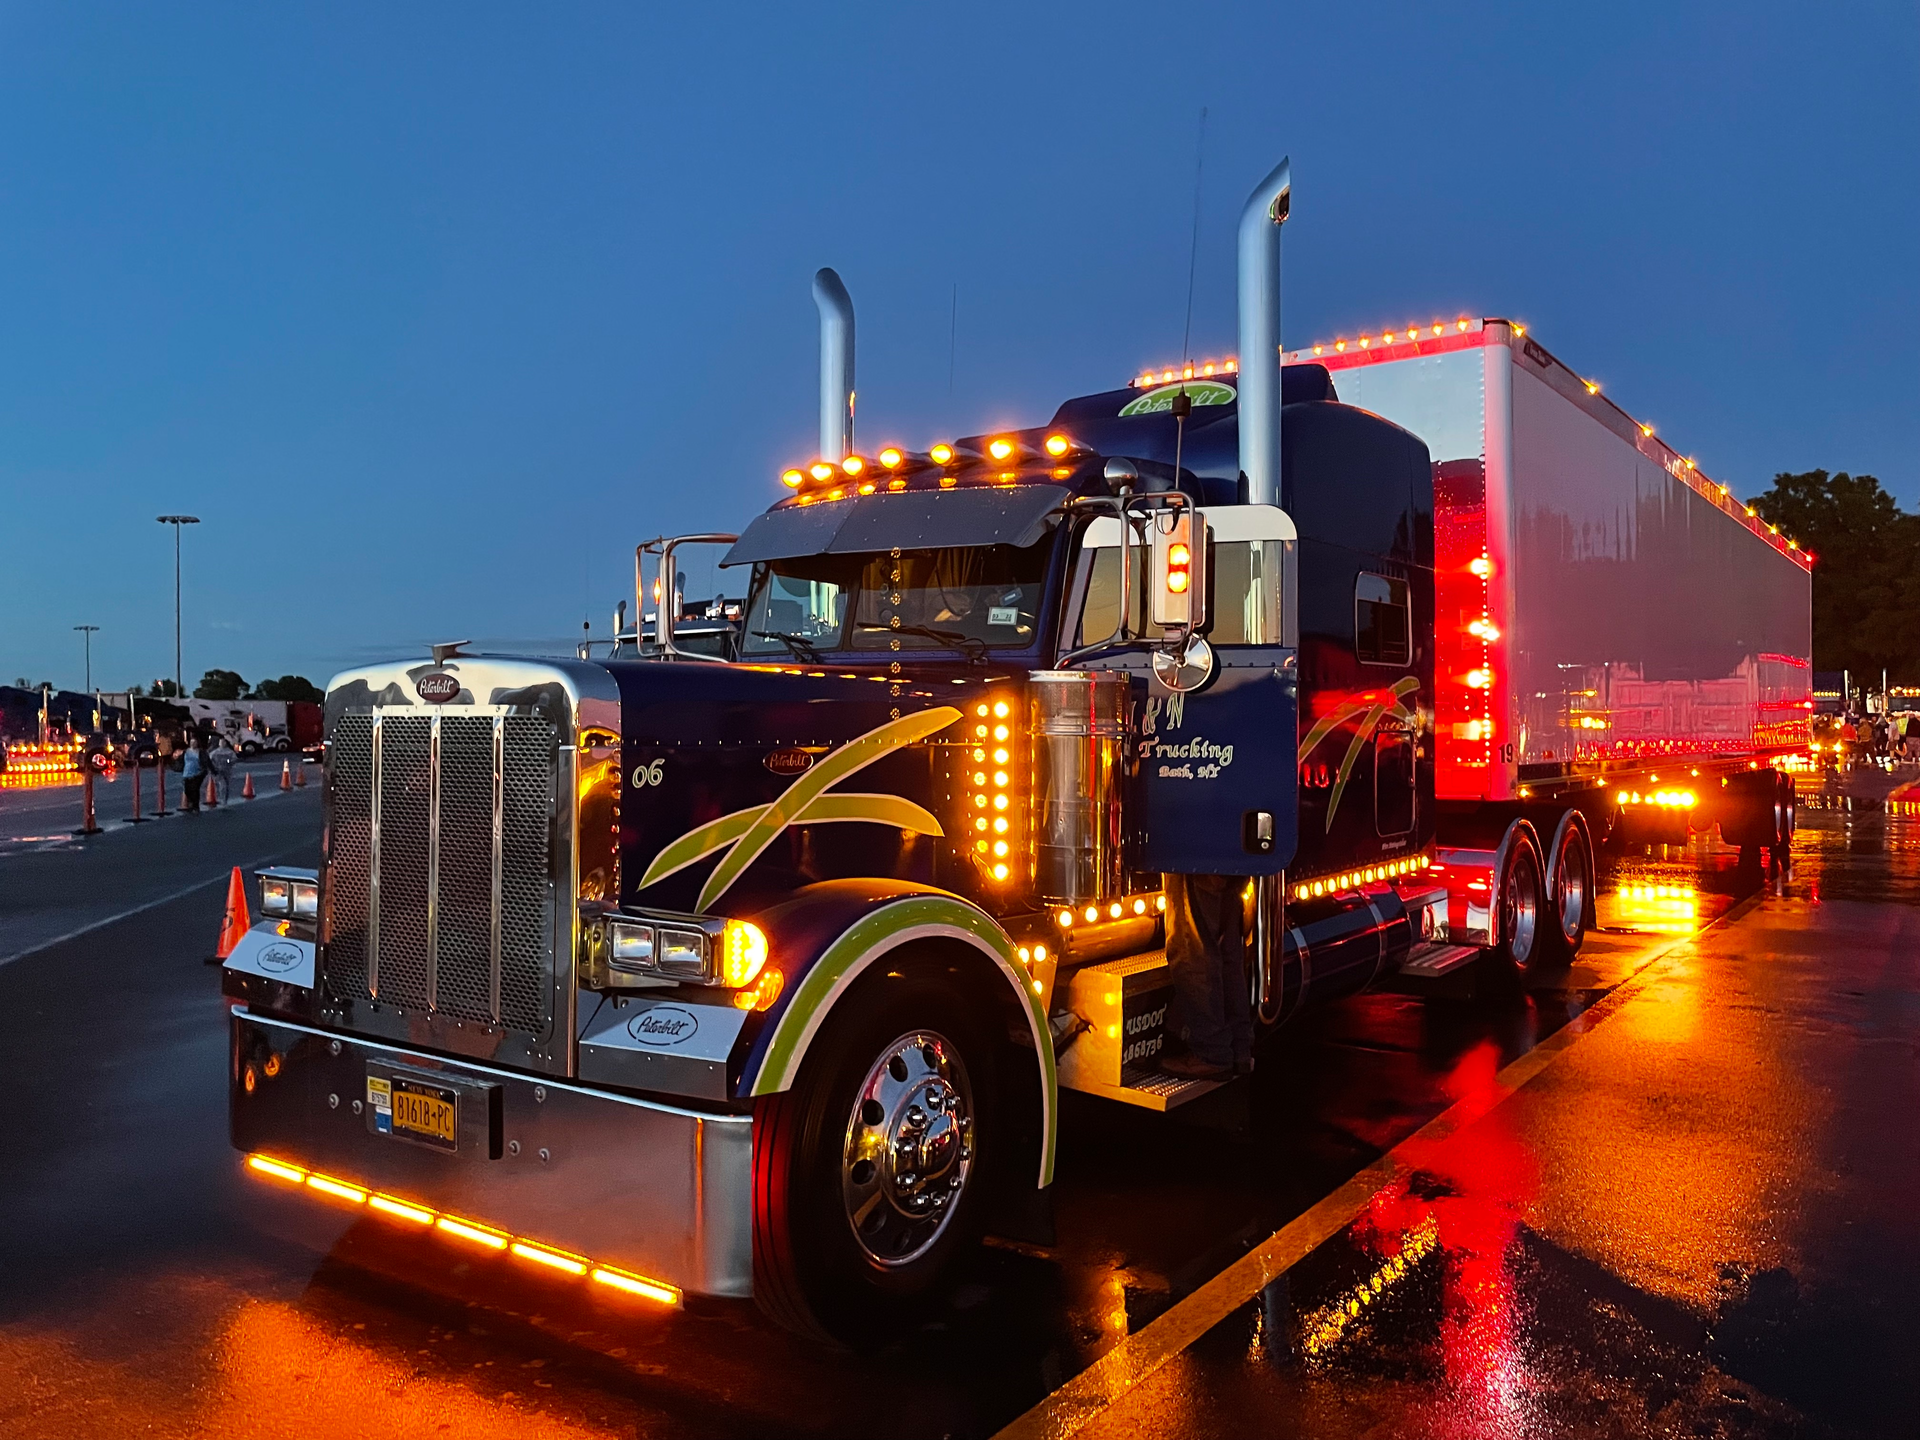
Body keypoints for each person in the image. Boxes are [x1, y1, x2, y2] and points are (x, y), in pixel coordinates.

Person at [1158, 873, 1255, 1079]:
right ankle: (1239, 1048)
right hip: (1235, 854)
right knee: (1227, 953)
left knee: (1191, 949)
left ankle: (1211, 1052)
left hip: (1196, 856)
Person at [180, 732, 207, 812]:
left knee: (195, 789)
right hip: (187, 773)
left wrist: (211, 770)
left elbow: (206, 762)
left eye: (194, 743)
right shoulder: (186, 752)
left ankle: (195, 805)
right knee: (187, 790)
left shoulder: (201, 752)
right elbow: (181, 761)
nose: (193, 744)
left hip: (197, 774)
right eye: (192, 743)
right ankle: (191, 802)